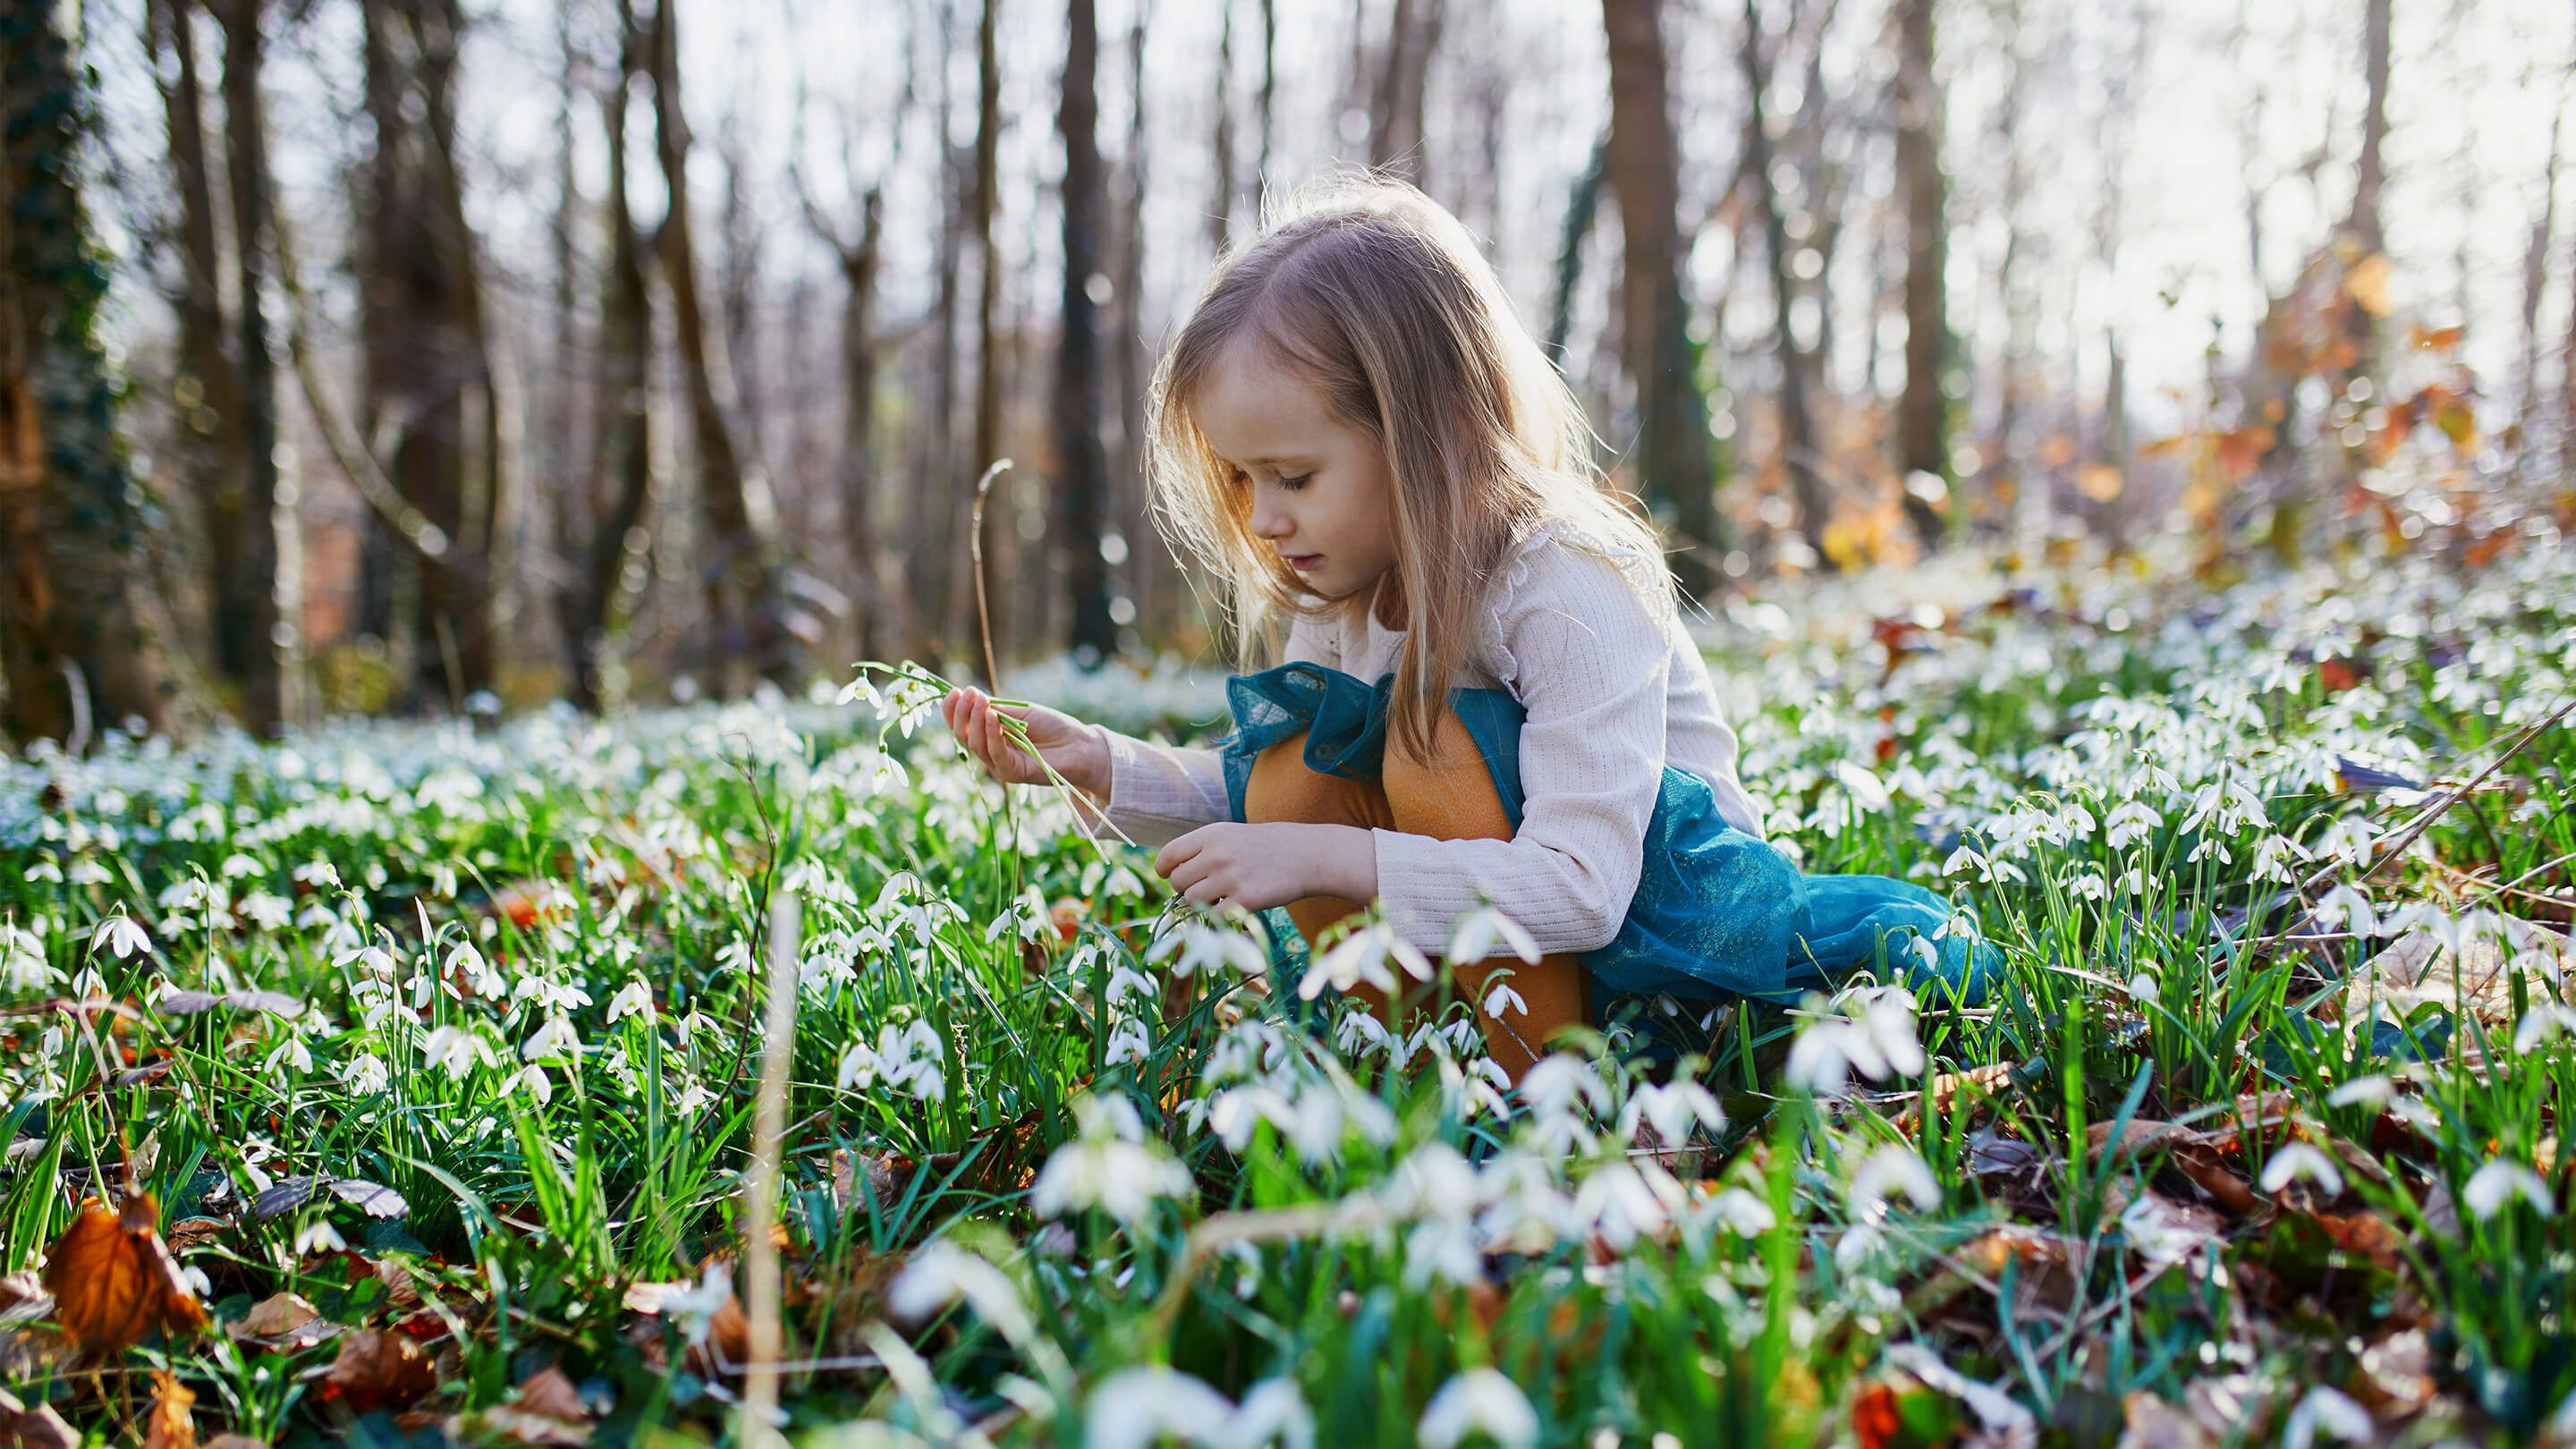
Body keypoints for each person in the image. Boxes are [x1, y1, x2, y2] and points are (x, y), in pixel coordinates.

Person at [941, 174, 1987, 1082]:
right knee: (1307, 756)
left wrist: (1323, 858)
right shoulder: (1348, 588)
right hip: (1487, 935)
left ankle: (1538, 1097)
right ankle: (1409, 1066)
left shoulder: (1569, 580)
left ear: (1423, 435)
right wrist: (1099, 766)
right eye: (1241, 480)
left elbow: (1583, 891)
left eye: (1295, 476)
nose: (1263, 518)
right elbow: (1279, 799)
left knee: (1432, 741)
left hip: (1664, 951)